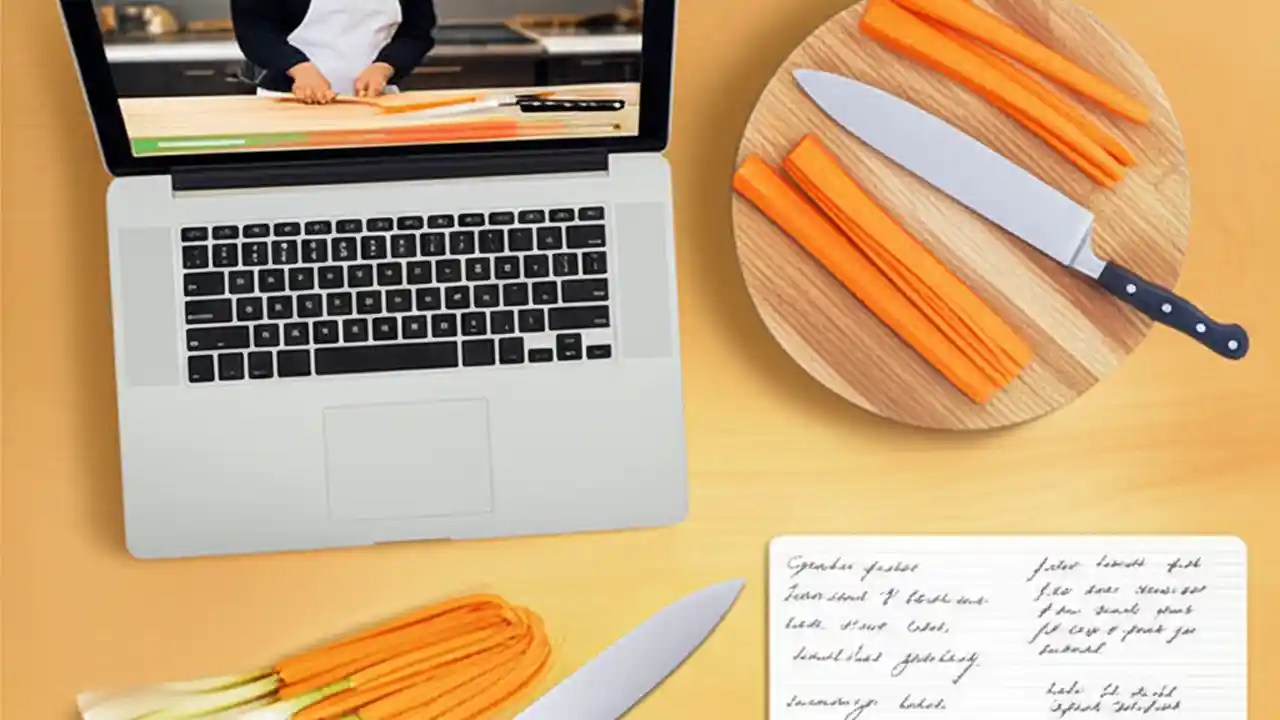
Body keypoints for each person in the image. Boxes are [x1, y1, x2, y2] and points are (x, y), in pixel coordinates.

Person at [232, 0, 437, 104]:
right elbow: (255, 30)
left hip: (377, 106)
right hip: (287, 106)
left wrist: (385, 67)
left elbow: (416, 34)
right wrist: (297, 68)